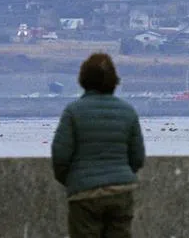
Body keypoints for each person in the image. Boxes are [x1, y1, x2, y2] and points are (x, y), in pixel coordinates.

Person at [51, 53, 146, 238]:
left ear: (83, 80)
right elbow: (137, 157)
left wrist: (73, 180)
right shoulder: (128, 112)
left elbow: (60, 157)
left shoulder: (73, 112)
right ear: (114, 81)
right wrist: (120, 175)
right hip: (121, 190)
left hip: (84, 193)